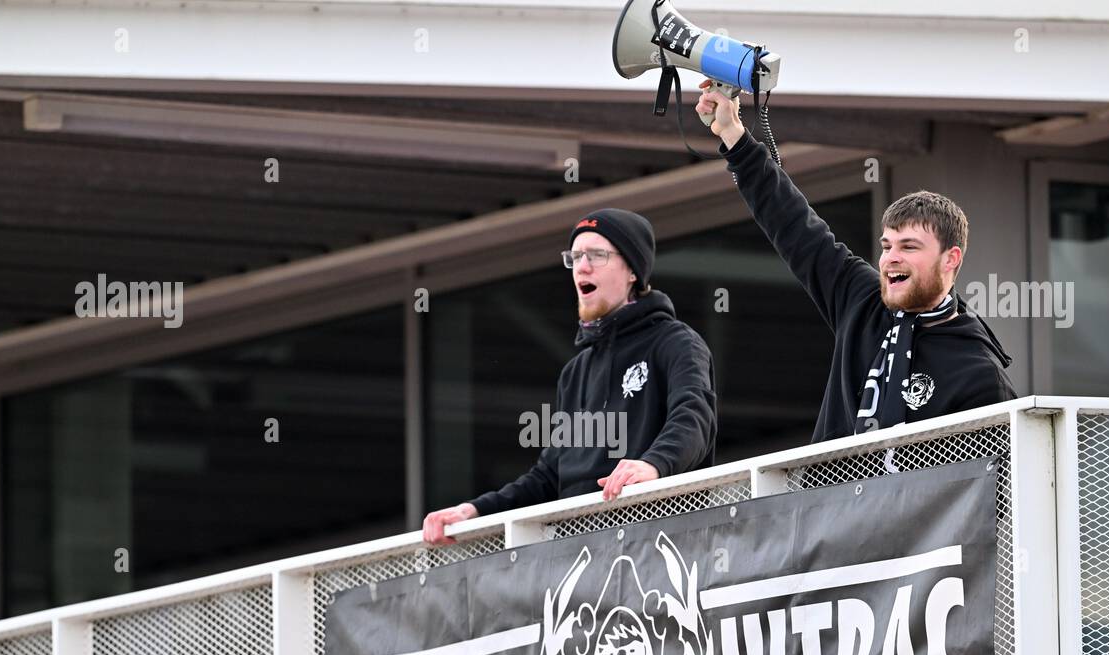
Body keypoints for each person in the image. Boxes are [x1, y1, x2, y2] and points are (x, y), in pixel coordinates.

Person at [696, 83, 1016, 442]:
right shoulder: (861, 298)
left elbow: (995, 485)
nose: (891, 258)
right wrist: (732, 133)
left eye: (909, 247)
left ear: (950, 259)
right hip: (828, 498)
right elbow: (793, 224)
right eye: (887, 245)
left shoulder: (978, 372)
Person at [422, 208, 718, 545]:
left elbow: (694, 417)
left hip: (659, 547)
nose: (582, 266)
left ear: (633, 271)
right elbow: (549, 477)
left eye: (597, 255)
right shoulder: (575, 373)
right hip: (580, 562)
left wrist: (654, 465)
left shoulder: (676, 342)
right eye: (575, 256)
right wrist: (474, 512)